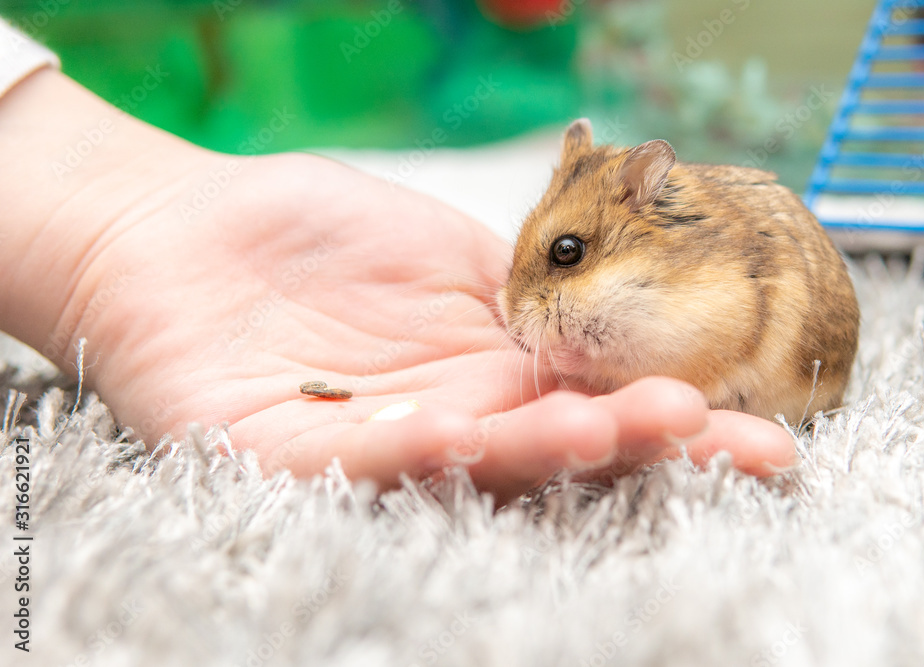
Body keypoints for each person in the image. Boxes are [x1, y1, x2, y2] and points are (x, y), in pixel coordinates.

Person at [0, 20, 796, 503]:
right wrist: (107, 240)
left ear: (644, 203)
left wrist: (108, 234)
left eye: (565, 257)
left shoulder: (718, 278)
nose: (522, 308)